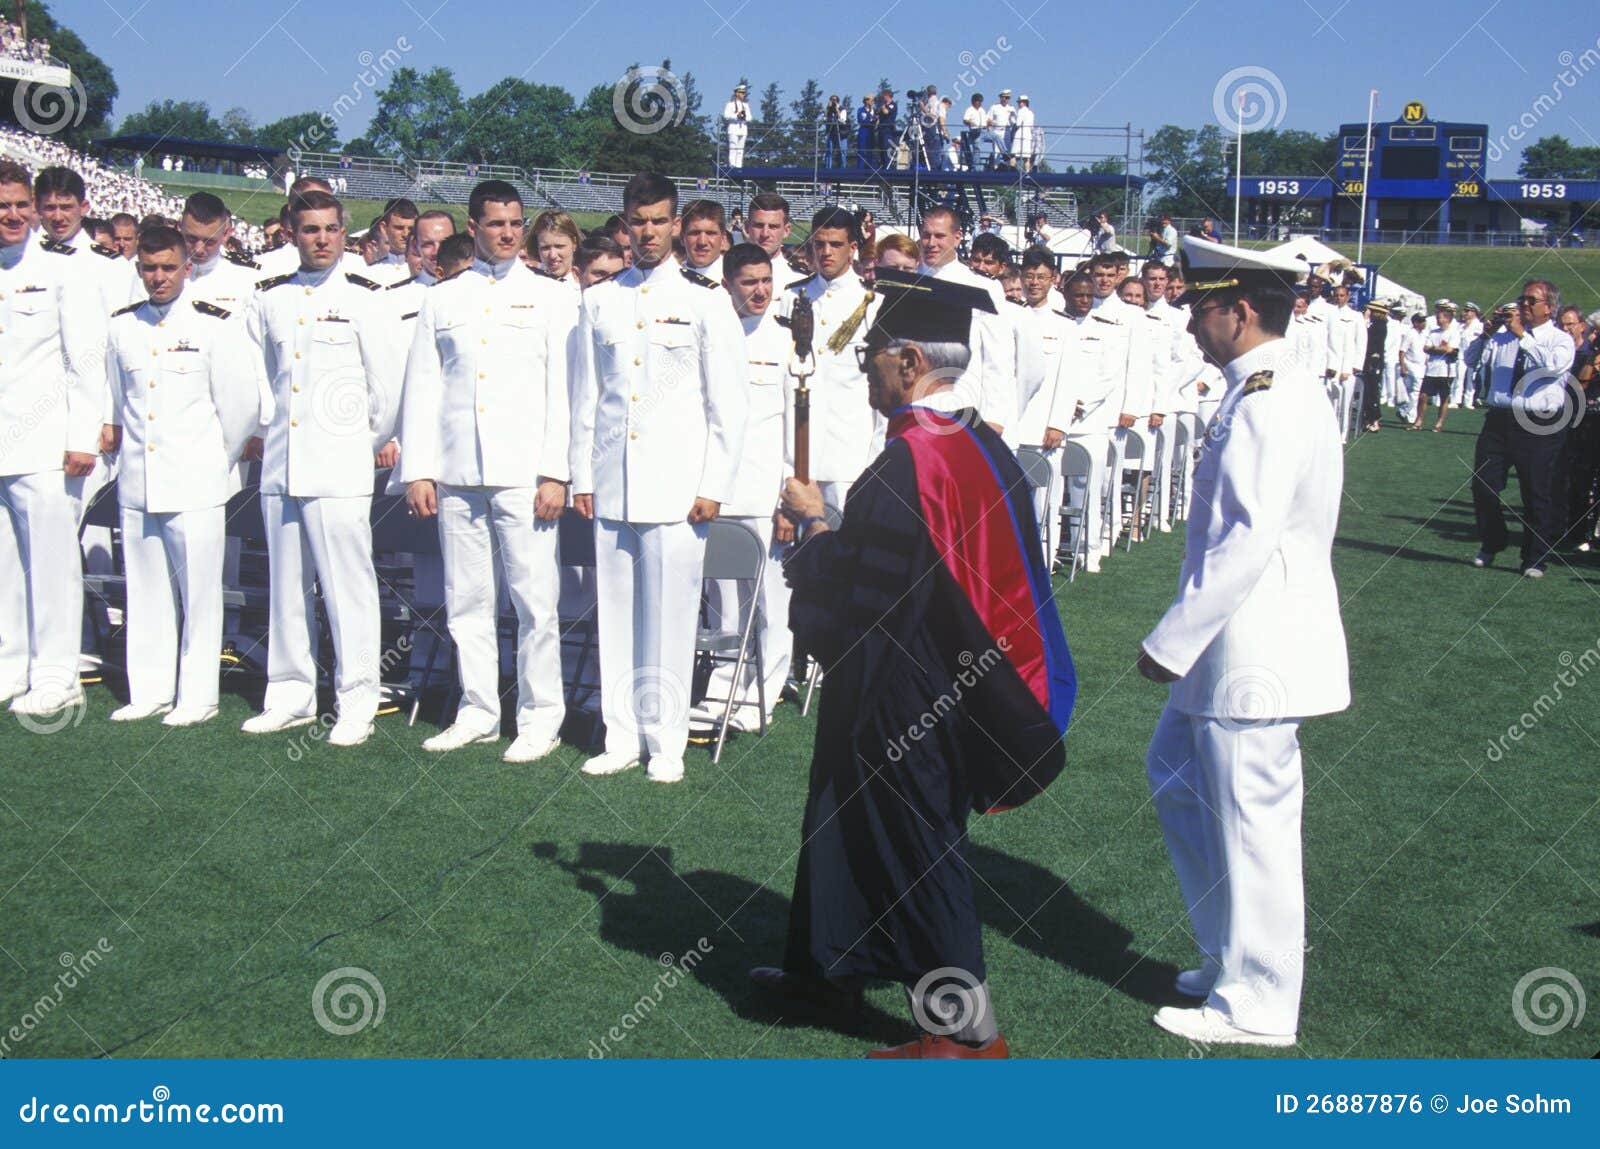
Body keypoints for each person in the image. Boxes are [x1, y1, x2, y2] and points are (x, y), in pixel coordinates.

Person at [747, 268, 1075, 1059]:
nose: (865, 368)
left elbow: (869, 591)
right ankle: (824, 969)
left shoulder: (908, 465)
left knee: (920, 845)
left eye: (873, 356)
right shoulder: (979, 444)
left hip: (906, 688)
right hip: (942, 674)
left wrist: (815, 528)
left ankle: (966, 1033)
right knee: (840, 813)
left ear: (909, 362)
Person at [1139, 236, 1349, 1048]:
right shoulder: (1262, 385)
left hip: (1250, 643)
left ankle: (1258, 1000)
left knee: (1252, 821)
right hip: (1233, 641)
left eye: (1203, 307)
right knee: (1175, 774)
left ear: (1242, 310)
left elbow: (1246, 538)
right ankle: (1227, 950)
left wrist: (1171, 640)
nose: (1192, 322)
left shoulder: (1267, 397)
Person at [568, 172, 747, 784]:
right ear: (625, 224)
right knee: (617, 614)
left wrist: (713, 485)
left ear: (675, 224)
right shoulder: (599, 299)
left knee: (671, 617)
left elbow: (728, 403)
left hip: (677, 489)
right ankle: (620, 734)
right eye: (638, 221)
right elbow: (585, 396)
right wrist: (581, 475)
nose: (648, 232)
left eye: (658, 221)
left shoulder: (705, 300)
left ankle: (666, 740)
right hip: (612, 482)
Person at [400, 180, 576, 762]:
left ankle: (540, 717)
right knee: (466, 601)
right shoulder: (443, 298)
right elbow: (422, 387)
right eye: (496, 223)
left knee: (534, 603)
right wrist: (419, 469)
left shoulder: (551, 296)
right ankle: (477, 711)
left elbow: (564, 390)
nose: (508, 233)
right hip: (457, 471)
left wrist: (556, 472)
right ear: (473, 228)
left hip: (525, 474)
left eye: (515, 223)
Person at [241, 189, 402, 746]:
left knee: (347, 589)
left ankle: (357, 700)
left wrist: (358, 444)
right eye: (310, 230)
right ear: (291, 233)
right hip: (283, 463)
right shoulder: (271, 297)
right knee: (286, 588)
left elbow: (386, 388)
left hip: (339, 465)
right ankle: (290, 694)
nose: (322, 239)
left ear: (343, 231)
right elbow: (264, 380)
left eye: (331, 229)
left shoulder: (365, 295)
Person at [101, 225, 260, 725]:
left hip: (195, 481)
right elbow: (120, 401)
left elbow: (241, 406)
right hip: (139, 481)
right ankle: (149, 691)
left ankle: (197, 696)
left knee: (199, 594)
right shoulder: (123, 326)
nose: (159, 277)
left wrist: (216, 462)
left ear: (187, 267)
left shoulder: (214, 325)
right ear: (139, 269)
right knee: (145, 590)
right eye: (150, 268)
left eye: (169, 267)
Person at [0, 159, 109, 719]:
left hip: (45, 445)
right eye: (3, 206)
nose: (14, 214)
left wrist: (83, 436)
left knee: (50, 563)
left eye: (22, 204)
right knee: (4, 565)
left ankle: (57, 674)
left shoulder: (62, 269)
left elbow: (85, 359)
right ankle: (10, 663)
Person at [690, 243, 792, 733]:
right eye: (749, 282)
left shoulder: (787, 342)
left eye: (766, 280)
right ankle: (723, 689)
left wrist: (790, 495)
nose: (760, 290)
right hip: (718, 489)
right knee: (724, 603)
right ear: (727, 284)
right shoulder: (710, 334)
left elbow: (797, 427)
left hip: (765, 491)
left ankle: (763, 693)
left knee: (771, 602)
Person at [1471, 281, 1577, 578]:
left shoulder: (1560, 339)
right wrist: (1486, 334)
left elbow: (1552, 368)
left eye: (1532, 300)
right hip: (1500, 418)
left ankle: (1534, 557)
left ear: (1549, 308)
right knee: (1483, 484)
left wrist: (1522, 336)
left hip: (1538, 422)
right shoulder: (1503, 337)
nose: (1525, 305)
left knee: (1535, 491)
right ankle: (1493, 540)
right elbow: (1470, 360)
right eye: (1523, 299)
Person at [780, 206, 878, 511]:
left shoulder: (871, 301)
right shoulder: (791, 297)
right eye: (819, 244)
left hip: (850, 452)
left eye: (836, 244)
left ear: (852, 248)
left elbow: (881, 386)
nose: (826, 252)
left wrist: (876, 458)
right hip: (798, 448)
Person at [1415, 299, 1459, 432]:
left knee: (1444, 397)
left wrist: (1435, 349)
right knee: (1423, 395)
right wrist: (1439, 348)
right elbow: (1426, 348)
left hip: (1446, 371)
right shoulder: (1433, 332)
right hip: (1431, 370)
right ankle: (1419, 421)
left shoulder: (1454, 332)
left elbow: (1450, 350)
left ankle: (1439, 423)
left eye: (1440, 317)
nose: (1438, 320)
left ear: (1447, 318)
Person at [1359, 301, 1390, 432]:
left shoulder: (1379, 325)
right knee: (1369, 391)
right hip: (1371, 360)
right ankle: (1369, 419)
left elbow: (1368, 338)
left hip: (1374, 361)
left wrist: (1365, 320)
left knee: (1372, 391)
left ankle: (1374, 419)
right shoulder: (1377, 324)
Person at [723, 84, 751, 168]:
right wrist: (736, 116)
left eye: (744, 93)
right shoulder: (730, 104)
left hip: (743, 129)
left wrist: (744, 117)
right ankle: (732, 165)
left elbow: (750, 118)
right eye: (741, 93)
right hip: (733, 129)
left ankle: (739, 166)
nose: (743, 95)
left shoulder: (745, 105)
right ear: (737, 93)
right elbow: (726, 116)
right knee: (733, 147)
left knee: (740, 149)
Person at [1013, 94, 1038, 173]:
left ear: (1024, 103)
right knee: (1026, 157)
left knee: (1013, 155)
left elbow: (1018, 123)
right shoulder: (1031, 113)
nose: (1018, 104)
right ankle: (1027, 173)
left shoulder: (1021, 111)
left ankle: (1012, 172)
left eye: (1020, 102)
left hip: (1020, 133)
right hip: (1028, 134)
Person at [824, 95, 846, 168]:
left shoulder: (842, 109)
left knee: (842, 151)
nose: (833, 101)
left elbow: (842, 120)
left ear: (837, 101)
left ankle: (843, 168)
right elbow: (824, 118)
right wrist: (827, 108)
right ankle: (828, 167)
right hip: (831, 132)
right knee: (829, 150)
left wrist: (836, 109)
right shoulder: (828, 109)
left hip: (840, 132)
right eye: (832, 100)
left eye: (835, 100)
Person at [855, 94, 875, 169]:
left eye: (873, 100)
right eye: (871, 100)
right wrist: (870, 119)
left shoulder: (874, 110)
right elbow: (861, 120)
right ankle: (860, 168)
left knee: (870, 150)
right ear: (866, 101)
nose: (873, 102)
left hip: (871, 131)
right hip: (863, 131)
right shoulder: (861, 110)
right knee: (861, 150)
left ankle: (869, 168)